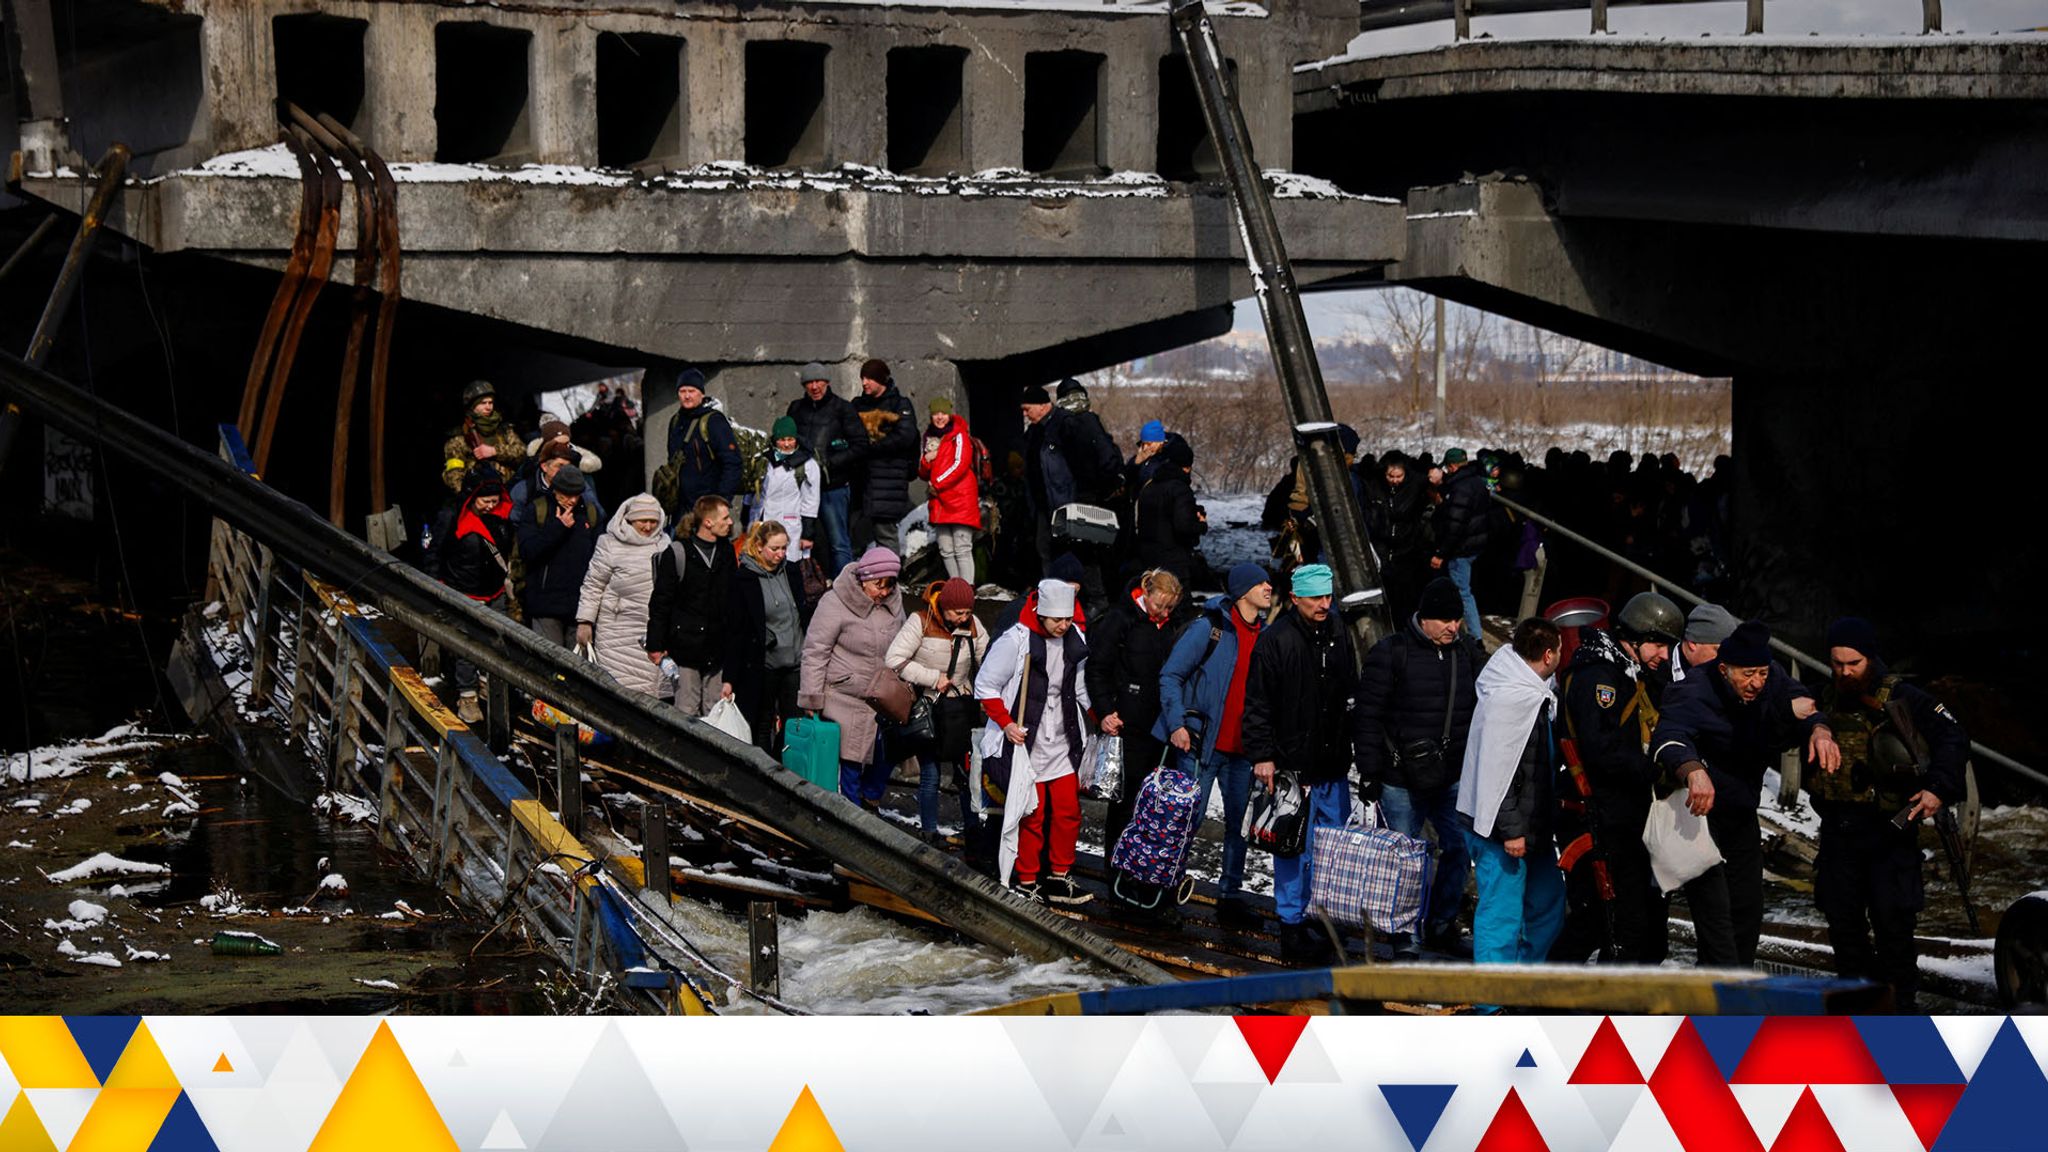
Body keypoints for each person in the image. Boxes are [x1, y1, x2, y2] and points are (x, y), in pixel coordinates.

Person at [1650, 619, 1838, 967]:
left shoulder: (1769, 680)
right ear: (1724, 669)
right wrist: (1693, 769)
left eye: (1762, 674)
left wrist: (1819, 730)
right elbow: (1668, 738)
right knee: (1718, 928)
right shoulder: (1693, 690)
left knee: (1747, 917)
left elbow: (1798, 699)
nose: (1756, 683)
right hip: (1701, 820)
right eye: (1748, 674)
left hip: (1740, 814)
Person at [1813, 616, 1968, 1009]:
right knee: (1845, 935)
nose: (1845, 672)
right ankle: (1858, 1027)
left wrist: (1937, 788)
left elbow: (1953, 737)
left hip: (1889, 835)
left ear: (1870, 658)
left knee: (1894, 933)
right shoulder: (1823, 699)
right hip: (1838, 835)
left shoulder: (1903, 696)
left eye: (1854, 663)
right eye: (1837, 664)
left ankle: (1901, 1030)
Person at [1549, 591, 1687, 966]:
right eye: (1658, 644)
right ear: (1636, 637)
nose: (1663, 655)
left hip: (1624, 818)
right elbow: (1601, 750)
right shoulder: (1600, 676)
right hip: (1597, 818)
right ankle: (1545, 1005)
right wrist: (1654, 771)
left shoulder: (1629, 671)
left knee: (1633, 927)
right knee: (1599, 922)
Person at [1354, 577, 1482, 956]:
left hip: (1453, 775)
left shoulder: (1466, 654)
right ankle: (1403, 934)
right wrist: (1370, 770)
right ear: (1423, 619)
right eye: (1444, 620)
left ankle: (1441, 923)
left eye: (1457, 620)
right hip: (1399, 778)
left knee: (1458, 847)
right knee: (1405, 857)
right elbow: (1367, 715)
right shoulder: (1391, 653)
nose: (1453, 627)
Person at [1243, 564, 1358, 962]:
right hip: (1292, 763)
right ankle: (1291, 923)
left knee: (1331, 847)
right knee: (1292, 847)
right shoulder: (1276, 640)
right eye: (1316, 598)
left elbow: (1349, 688)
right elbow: (1257, 702)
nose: (1324, 605)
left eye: (1328, 597)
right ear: (1296, 598)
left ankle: (1320, 916)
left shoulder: (1337, 631)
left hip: (1332, 760)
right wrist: (1262, 755)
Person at [1154, 562, 1272, 925]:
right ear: (1242, 591)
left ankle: (1230, 896)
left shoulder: (1266, 636)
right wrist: (1177, 724)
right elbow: (1170, 675)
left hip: (1243, 751)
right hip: (1201, 744)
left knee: (1238, 825)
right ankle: (1165, 892)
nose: (1269, 587)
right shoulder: (1211, 629)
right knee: (1187, 819)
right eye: (1261, 582)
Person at [974, 578, 1094, 905]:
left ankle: (1059, 875)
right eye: (1057, 620)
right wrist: (1007, 724)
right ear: (1041, 613)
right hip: (1026, 740)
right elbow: (985, 686)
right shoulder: (1016, 640)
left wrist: (1101, 715)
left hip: (1062, 735)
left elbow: (1082, 687)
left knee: (1069, 809)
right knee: (1032, 812)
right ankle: (1027, 879)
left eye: (1067, 619)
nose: (1063, 626)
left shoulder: (1074, 639)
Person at [1456, 618, 1566, 965]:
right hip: (1504, 832)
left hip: (1534, 825)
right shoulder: (1510, 699)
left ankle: (1525, 980)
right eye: (1560, 648)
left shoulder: (1533, 689)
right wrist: (1511, 831)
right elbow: (1496, 772)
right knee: (1500, 915)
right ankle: (1492, 1003)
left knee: (1548, 904)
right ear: (1548, 655)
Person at [1085, 569, 1193, 853]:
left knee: (1153, 799)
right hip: (1127, 721)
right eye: (1159, 605)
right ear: (1146, 594)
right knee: (1124, 799)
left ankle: (1142, 864)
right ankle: (1116, 863)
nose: (1163, 612)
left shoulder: (1173, 625)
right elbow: (1098, 668)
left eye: (1170, 607)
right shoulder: (1120, 620)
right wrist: (1105, 709)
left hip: (1159, 724)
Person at [886, 577, 991, 845]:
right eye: (958, 613)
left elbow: (988, 660)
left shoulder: (974, 625)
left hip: (961, 708)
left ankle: (972, 828)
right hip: (930, 708)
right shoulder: (919, 621)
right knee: (930, 772)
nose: (963, 617)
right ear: (943, 607)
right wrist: (932, 677)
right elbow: (894, 659)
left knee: (967, 773)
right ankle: (929, 829)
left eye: (968, 612)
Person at [798, 546, 906, 807]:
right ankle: (851, 819)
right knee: (850, 762)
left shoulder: (893, 601)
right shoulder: (835, 602)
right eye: (879, 586)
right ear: (864, 579)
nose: (884, 592)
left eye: (889, 586)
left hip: (883, 699)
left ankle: (867, 802)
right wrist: (812, 699)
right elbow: (815, 651)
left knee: (885, 756)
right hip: (844, 696)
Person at [1020, 382, 1122, 586]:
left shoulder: (1066, 425)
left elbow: (1085, 464)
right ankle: (1052, 593)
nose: (1025, 415)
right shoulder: (1036, 432)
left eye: (1027, 409)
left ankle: (1089, 598)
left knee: (1078, 552)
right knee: (1046, 549)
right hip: (1045, 504)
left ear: (1042, 405)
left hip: (1068, 502)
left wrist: (1087, 495)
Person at [723, 520, 808, 755]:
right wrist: (729, 678)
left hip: (794, 660)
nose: (781, 554)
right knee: (762, 721)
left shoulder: (790, 571)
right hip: (763, 663)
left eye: (784, 548)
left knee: (793, 721)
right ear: (759, 546)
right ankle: (764, 768)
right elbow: (736, 630)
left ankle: (783, 766)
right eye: (775, 548)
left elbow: (801, 612)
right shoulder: (745, 579)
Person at [647, 495, 737, 717]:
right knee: (686, 711)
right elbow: (661, 601)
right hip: (685, 646)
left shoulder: (725, 551)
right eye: (725, 518)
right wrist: (655, 645)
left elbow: (732, 602)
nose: (730, 522)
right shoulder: (679, 552)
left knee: (716, 712)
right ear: (708, 522)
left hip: (717, 647)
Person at [442, 468, 517, 724]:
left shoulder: (502, 519)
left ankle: (488, 684)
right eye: (485, 501)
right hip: (464, 592)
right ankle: (468, 696)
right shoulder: (452, 516)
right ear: (472, 497)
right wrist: (437, 586)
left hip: (494, 591)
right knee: (467, 646)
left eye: (494, 501)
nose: (490, 506)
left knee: (496, 641)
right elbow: (436, 554)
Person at [575, 495, 669, 700]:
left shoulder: (665, 544)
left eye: (653, 521)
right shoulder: (609, 544)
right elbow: (593, 584)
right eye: (642, 521)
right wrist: (585, 621)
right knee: (618, 693)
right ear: (630, 519)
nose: (648, 526)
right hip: (617, 631)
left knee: (652, 694)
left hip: (653, 629)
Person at [786, 362, 870, 576]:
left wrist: (829, 462)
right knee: (802, 538)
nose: (814, 387)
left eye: (818, 382)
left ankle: (844, 586)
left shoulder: (843, 408)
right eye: (809, 383)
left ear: (827, 382)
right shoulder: (796, 409)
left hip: (833, 486)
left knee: (838, 541)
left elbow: (860, 445)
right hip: (802, 488)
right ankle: (808, 585)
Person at [514, 465, 602, 648]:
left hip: (579, 606)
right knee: (550, 665)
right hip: (545, 605)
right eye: (566, 495)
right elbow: (528, 552)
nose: (571, 500)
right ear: (555, 490)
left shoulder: (590, 513)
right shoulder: (538, 510)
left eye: (575, 495)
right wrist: (558, 528)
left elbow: (599, 558)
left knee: (578, 668)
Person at [853, 359, 918, 553]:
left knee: (885, 534)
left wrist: (871, 447)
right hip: (860, 480)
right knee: (855, 534)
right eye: (862, 378)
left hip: (888, 482)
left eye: (870, 378)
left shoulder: (900, 404)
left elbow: (906, 436)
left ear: (881, 380)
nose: (864, 383)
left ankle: (890, 579)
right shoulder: (857, 405)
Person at [660, 368, 742, 522]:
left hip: (707, 508)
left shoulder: (713, 421)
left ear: (701, 393)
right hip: (680, 508)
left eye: (692, 390)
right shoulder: (675, 421)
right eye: (682, 391)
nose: (687, 396)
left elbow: (733, 463)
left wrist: (720, 502)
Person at [1430, 447, 1491, 641]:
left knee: (1463, 592)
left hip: (1461, 548)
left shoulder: (1460, 489)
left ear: (1453, 466)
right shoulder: (1476, 483)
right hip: (1476, 543)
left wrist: (1441, 553)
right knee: (1464, 589)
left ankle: (1475, 636)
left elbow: (1455, 524)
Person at [920, 396, 982, 583]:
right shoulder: (928, 438)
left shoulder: (959, 435)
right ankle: (956, 587)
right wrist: (926, 460)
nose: (939, 417)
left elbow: (959, 464)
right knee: (946, 549)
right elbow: (923, 472)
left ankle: (967, 589)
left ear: (950, 414)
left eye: (943, 413)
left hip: (960, 500)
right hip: (939, 502)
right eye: (936, 414)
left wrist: (936, 483)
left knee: (962, 547)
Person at [1364, 452, 1429, 623]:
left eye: (1398, 476)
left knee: (1406, 597)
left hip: (1406, 550)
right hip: (1382, 549)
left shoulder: (1415, 486)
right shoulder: (1374, 486)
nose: (1394, 480)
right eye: (1390, 476)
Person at [1130, 437, 1205, 584]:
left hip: (1147, 558)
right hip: (1173, 560)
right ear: (1187, 467)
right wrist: (1201, 525)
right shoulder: (1180, 489)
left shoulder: (1149, 486)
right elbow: (1184, 526)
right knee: (1178, 601)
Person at [441, 380, 526, 494]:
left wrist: (494, 451)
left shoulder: (503, 430)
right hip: (480, 497)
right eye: (482, 403)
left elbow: (521, 452)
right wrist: (472, 496)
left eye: (490, 402)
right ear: (472, 406)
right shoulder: (459, 438)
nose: (488, 407)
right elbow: (454, 473)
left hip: (509, 491)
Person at [757, 416, 822, 561]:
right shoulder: (764, 461)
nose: (786, 444)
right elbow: (754, 494)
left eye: (790, 439)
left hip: (792, 525)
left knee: (790, 563)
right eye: (782, 440)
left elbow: (811, 501)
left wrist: (807, 534)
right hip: (764, 523)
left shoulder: (807, 465)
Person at [1672, 601, 1738, 682]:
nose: (1723, 660)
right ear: (1693, 643)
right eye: (1718, 651)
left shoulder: (1723, 680)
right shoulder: (1658, 667)